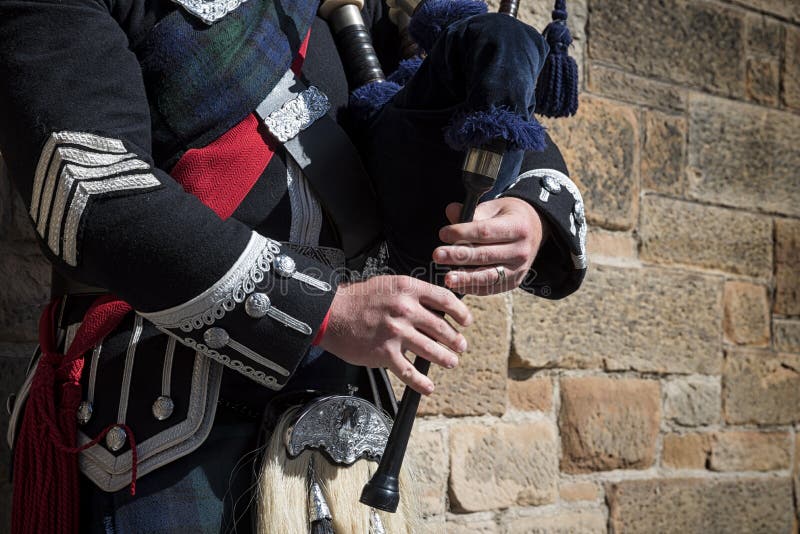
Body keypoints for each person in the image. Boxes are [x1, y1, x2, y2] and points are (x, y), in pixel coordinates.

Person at [0, 0, 587, 531]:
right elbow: (88, 191)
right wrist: (323, 308)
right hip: (157, 425)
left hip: (345, 418)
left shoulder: (364, 9)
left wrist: (526, 209)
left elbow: (443, 97)